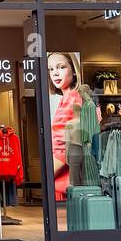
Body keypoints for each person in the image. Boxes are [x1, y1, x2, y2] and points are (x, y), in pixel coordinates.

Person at [49, 51, 87, 203]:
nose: (55, 73)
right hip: (68, 180)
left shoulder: (73, 98)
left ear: (74, 70)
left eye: (61, 67)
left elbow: (63, 148)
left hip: (66, 183)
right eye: (51, 69)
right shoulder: (70, 97)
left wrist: (47, 174)